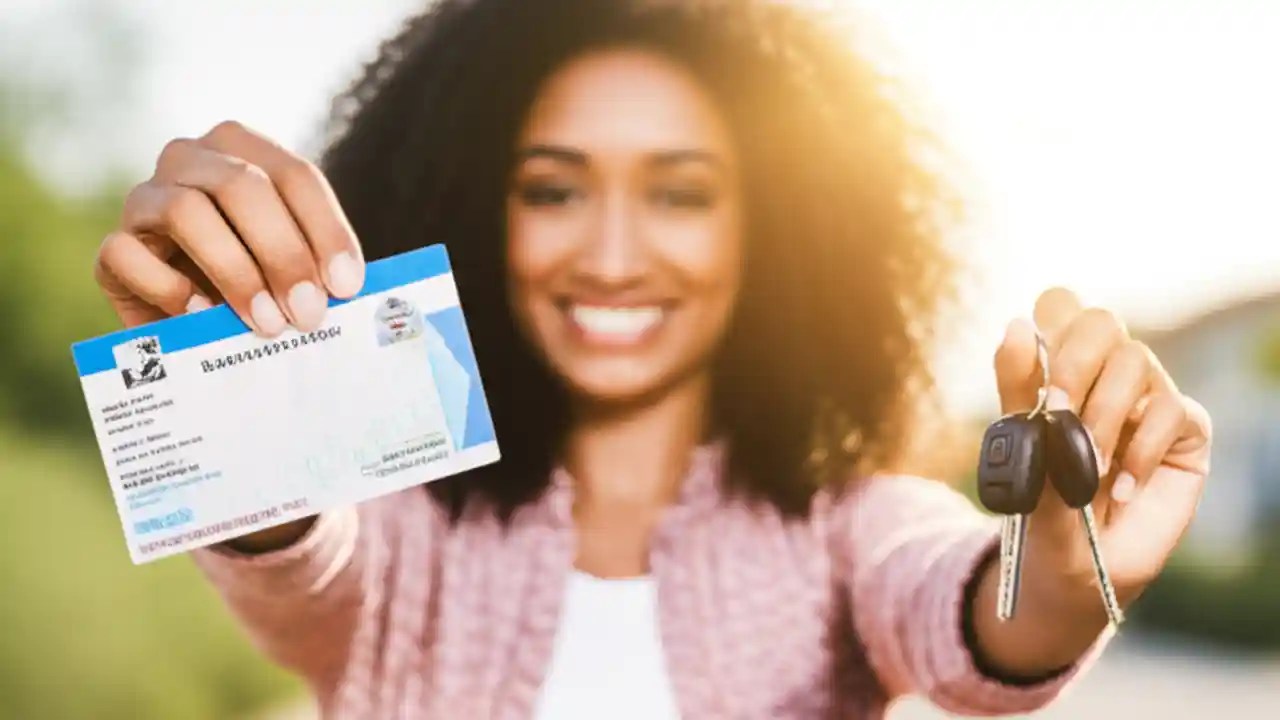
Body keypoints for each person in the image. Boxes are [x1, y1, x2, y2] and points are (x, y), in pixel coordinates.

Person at [91, 0, 1212, 717]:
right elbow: (301, 567)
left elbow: (970, 617)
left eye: (679, 193)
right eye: (553, 189)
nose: (614, 254)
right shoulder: (407, 530)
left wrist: (1068, 570)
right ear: (481, 212)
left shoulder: (841, 530)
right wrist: (225, 371)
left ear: (772, 228)